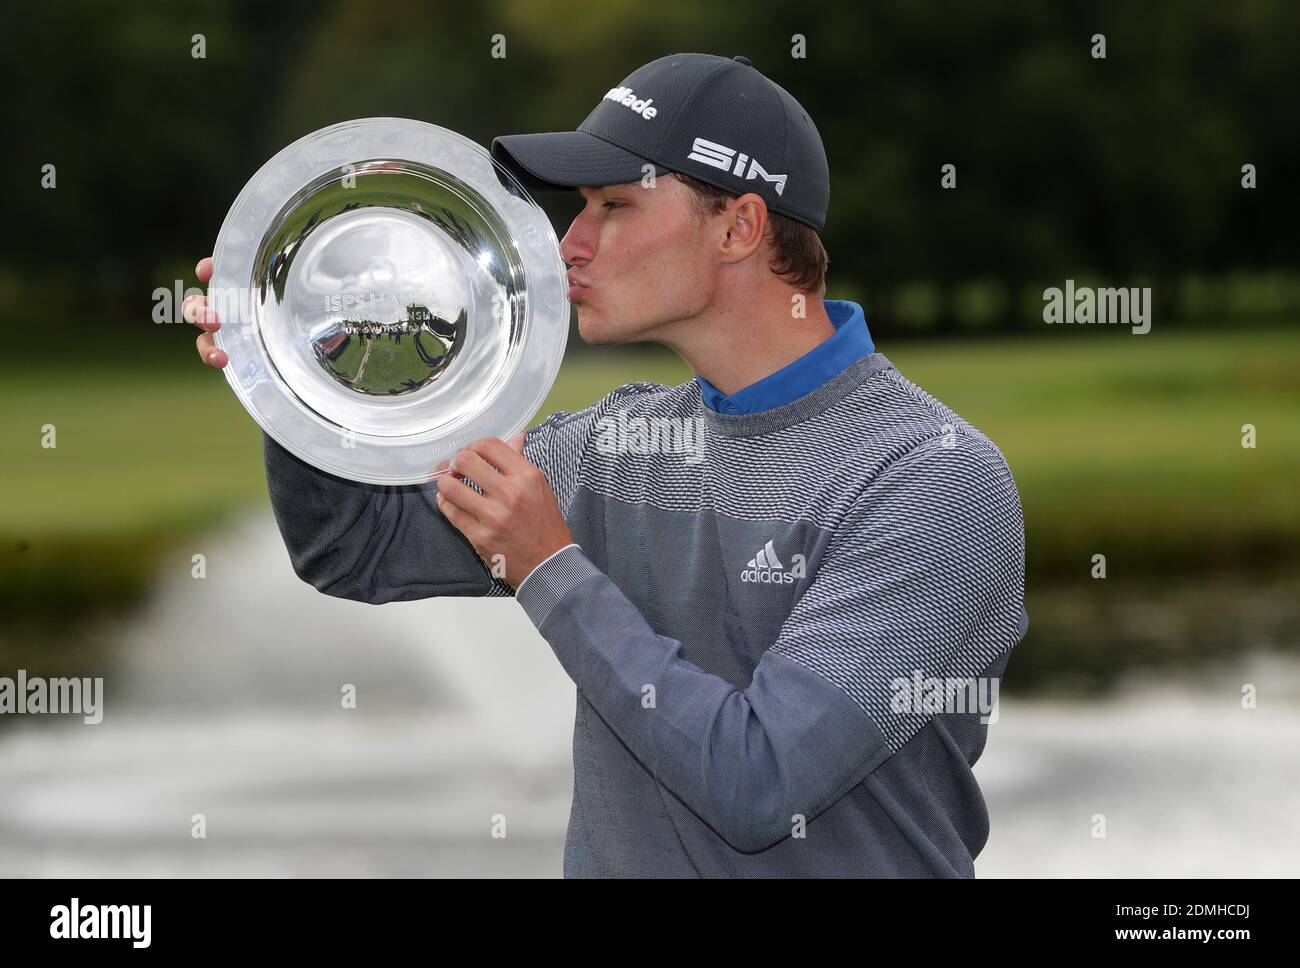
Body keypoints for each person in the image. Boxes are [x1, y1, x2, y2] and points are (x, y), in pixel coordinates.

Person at [184, 52, 1028, 877]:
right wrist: (297, 367)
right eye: (579, 207)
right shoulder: (615, 444)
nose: (568, 244)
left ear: (739, 226)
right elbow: (354, 549)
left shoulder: (933, 480)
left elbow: (760, 784)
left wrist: (549, 566)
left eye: (614, 206)